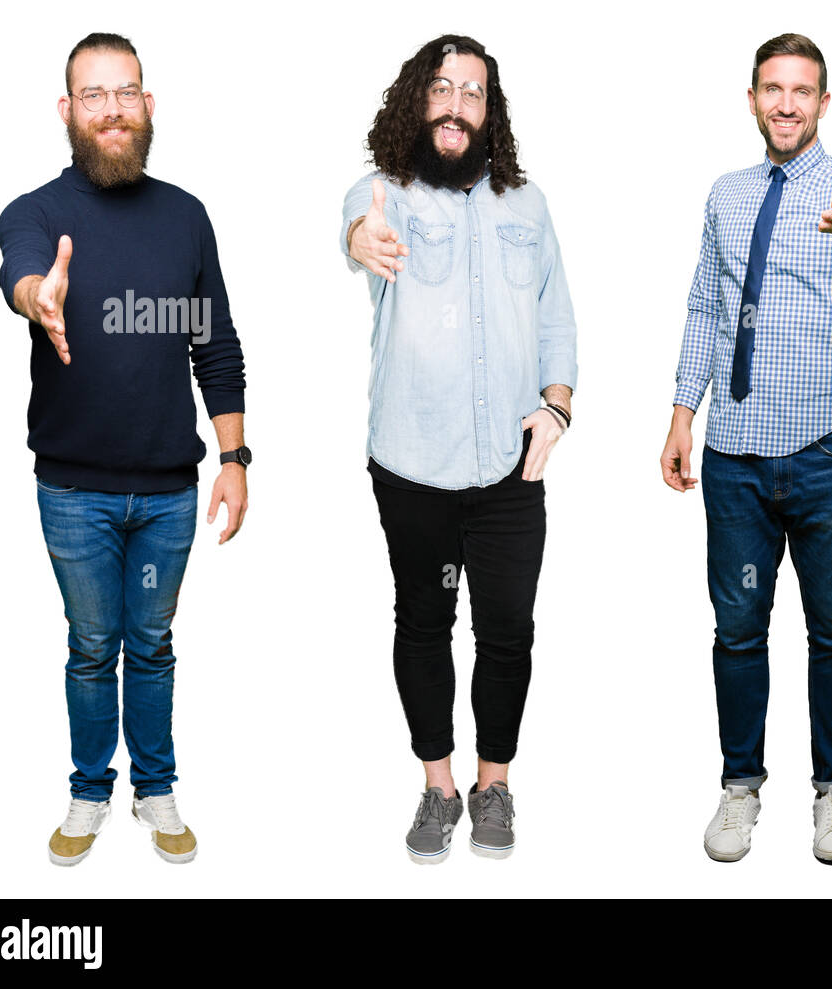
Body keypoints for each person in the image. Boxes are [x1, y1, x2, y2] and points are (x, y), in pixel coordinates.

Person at [0, 32, 249, 866]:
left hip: (171, 492)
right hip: (75, 495)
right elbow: (24, 275)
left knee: (153, 645)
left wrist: (236, 460)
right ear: (68, 111)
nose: (112, 109)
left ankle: (157, 787)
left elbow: (214, 346)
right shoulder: (35, 213)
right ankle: (87, 790)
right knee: (90, 645)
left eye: (126, 92)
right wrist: (41, 297)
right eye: (94, 95)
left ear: (148, 104)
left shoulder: (186, 216)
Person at [660, 33, 832, 864]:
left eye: (803, 90)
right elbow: (704, 307)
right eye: (773, 88)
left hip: (827, 453)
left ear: (825, 103)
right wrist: (681, 412)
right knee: (737, 630)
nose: (788, 103)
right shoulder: (727, 194)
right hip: (734, 459)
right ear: (754, 98)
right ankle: (740, 786)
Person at [340, 34, 577, 863]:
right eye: (440, 88)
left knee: (509, 629)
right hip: (412, 465)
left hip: (513, 465)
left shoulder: (528, 205)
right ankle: (438, 786)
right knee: (425, 621)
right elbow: (357, 232)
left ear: (489, 112)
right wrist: (357, 241)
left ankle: (494, 782)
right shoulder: (385, 193)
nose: (454, 104)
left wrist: (557, 408)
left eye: (471, 93)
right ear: (418, 99)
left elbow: (555, 317)